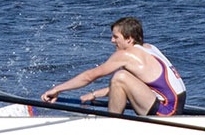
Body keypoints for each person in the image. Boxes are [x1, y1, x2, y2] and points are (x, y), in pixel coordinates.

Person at [41, 16, 188, 117]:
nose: (112, 41)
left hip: (166, 112)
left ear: (129, 39)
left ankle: (112, 124)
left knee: (120, 77)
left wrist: (57, 89)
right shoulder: (150, 48)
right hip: (174, 107)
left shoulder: (126, 55)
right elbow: (138, 86)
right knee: (123, 78)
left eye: (116, 37)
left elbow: (89, 76)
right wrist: (95, 95)